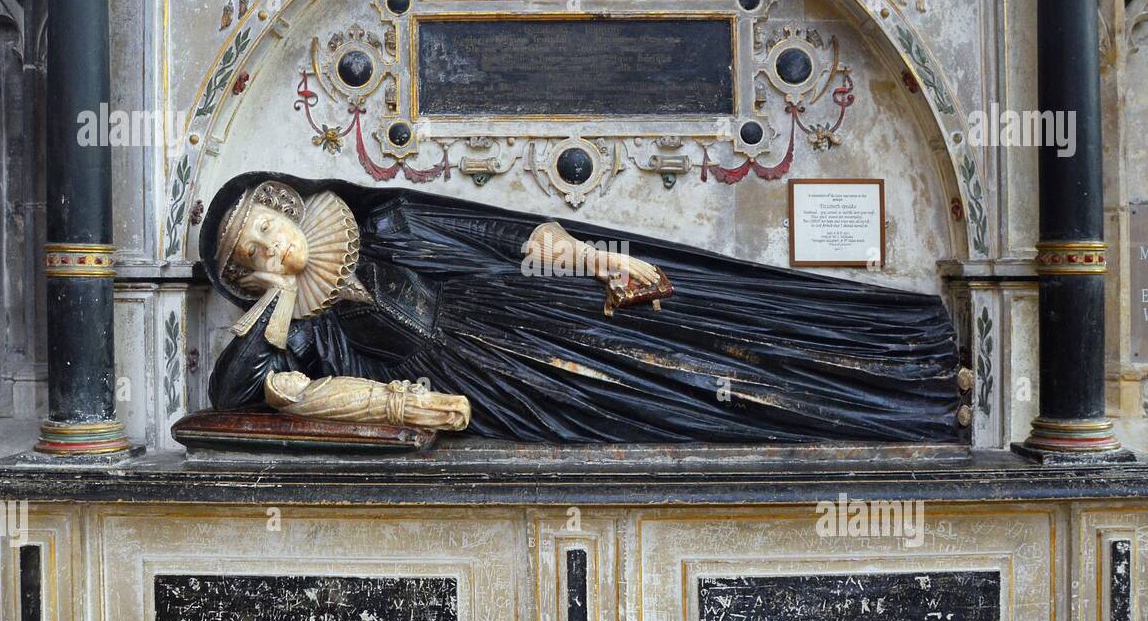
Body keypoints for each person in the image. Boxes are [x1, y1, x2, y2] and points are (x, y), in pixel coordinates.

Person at [201, 172, 962, 443]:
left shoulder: (388, 221)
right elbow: (237, 392)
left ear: (289, 210)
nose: (274, 251)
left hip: (532, 308)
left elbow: (510, 237)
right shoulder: (302, 330)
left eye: (269, 229)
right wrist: (272, 305)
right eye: (255, 260)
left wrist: (604, 258)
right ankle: (906, 415)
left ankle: (915, 362)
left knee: (715, 335)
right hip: (502, 389)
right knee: (679, 404)